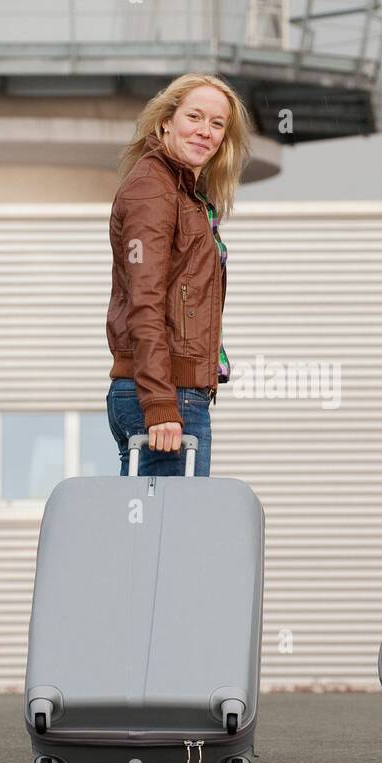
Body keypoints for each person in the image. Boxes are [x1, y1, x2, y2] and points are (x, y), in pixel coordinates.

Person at [104, 74, 252, 476]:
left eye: (217, 124)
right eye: (195, 117)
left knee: (160, 534)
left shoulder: (182, 192)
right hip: (166, 396)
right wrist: (159, 402)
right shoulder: (153, 189)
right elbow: (145, 301)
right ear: (166, 120)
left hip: (174, 393)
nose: (205, 131)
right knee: (168, 536)